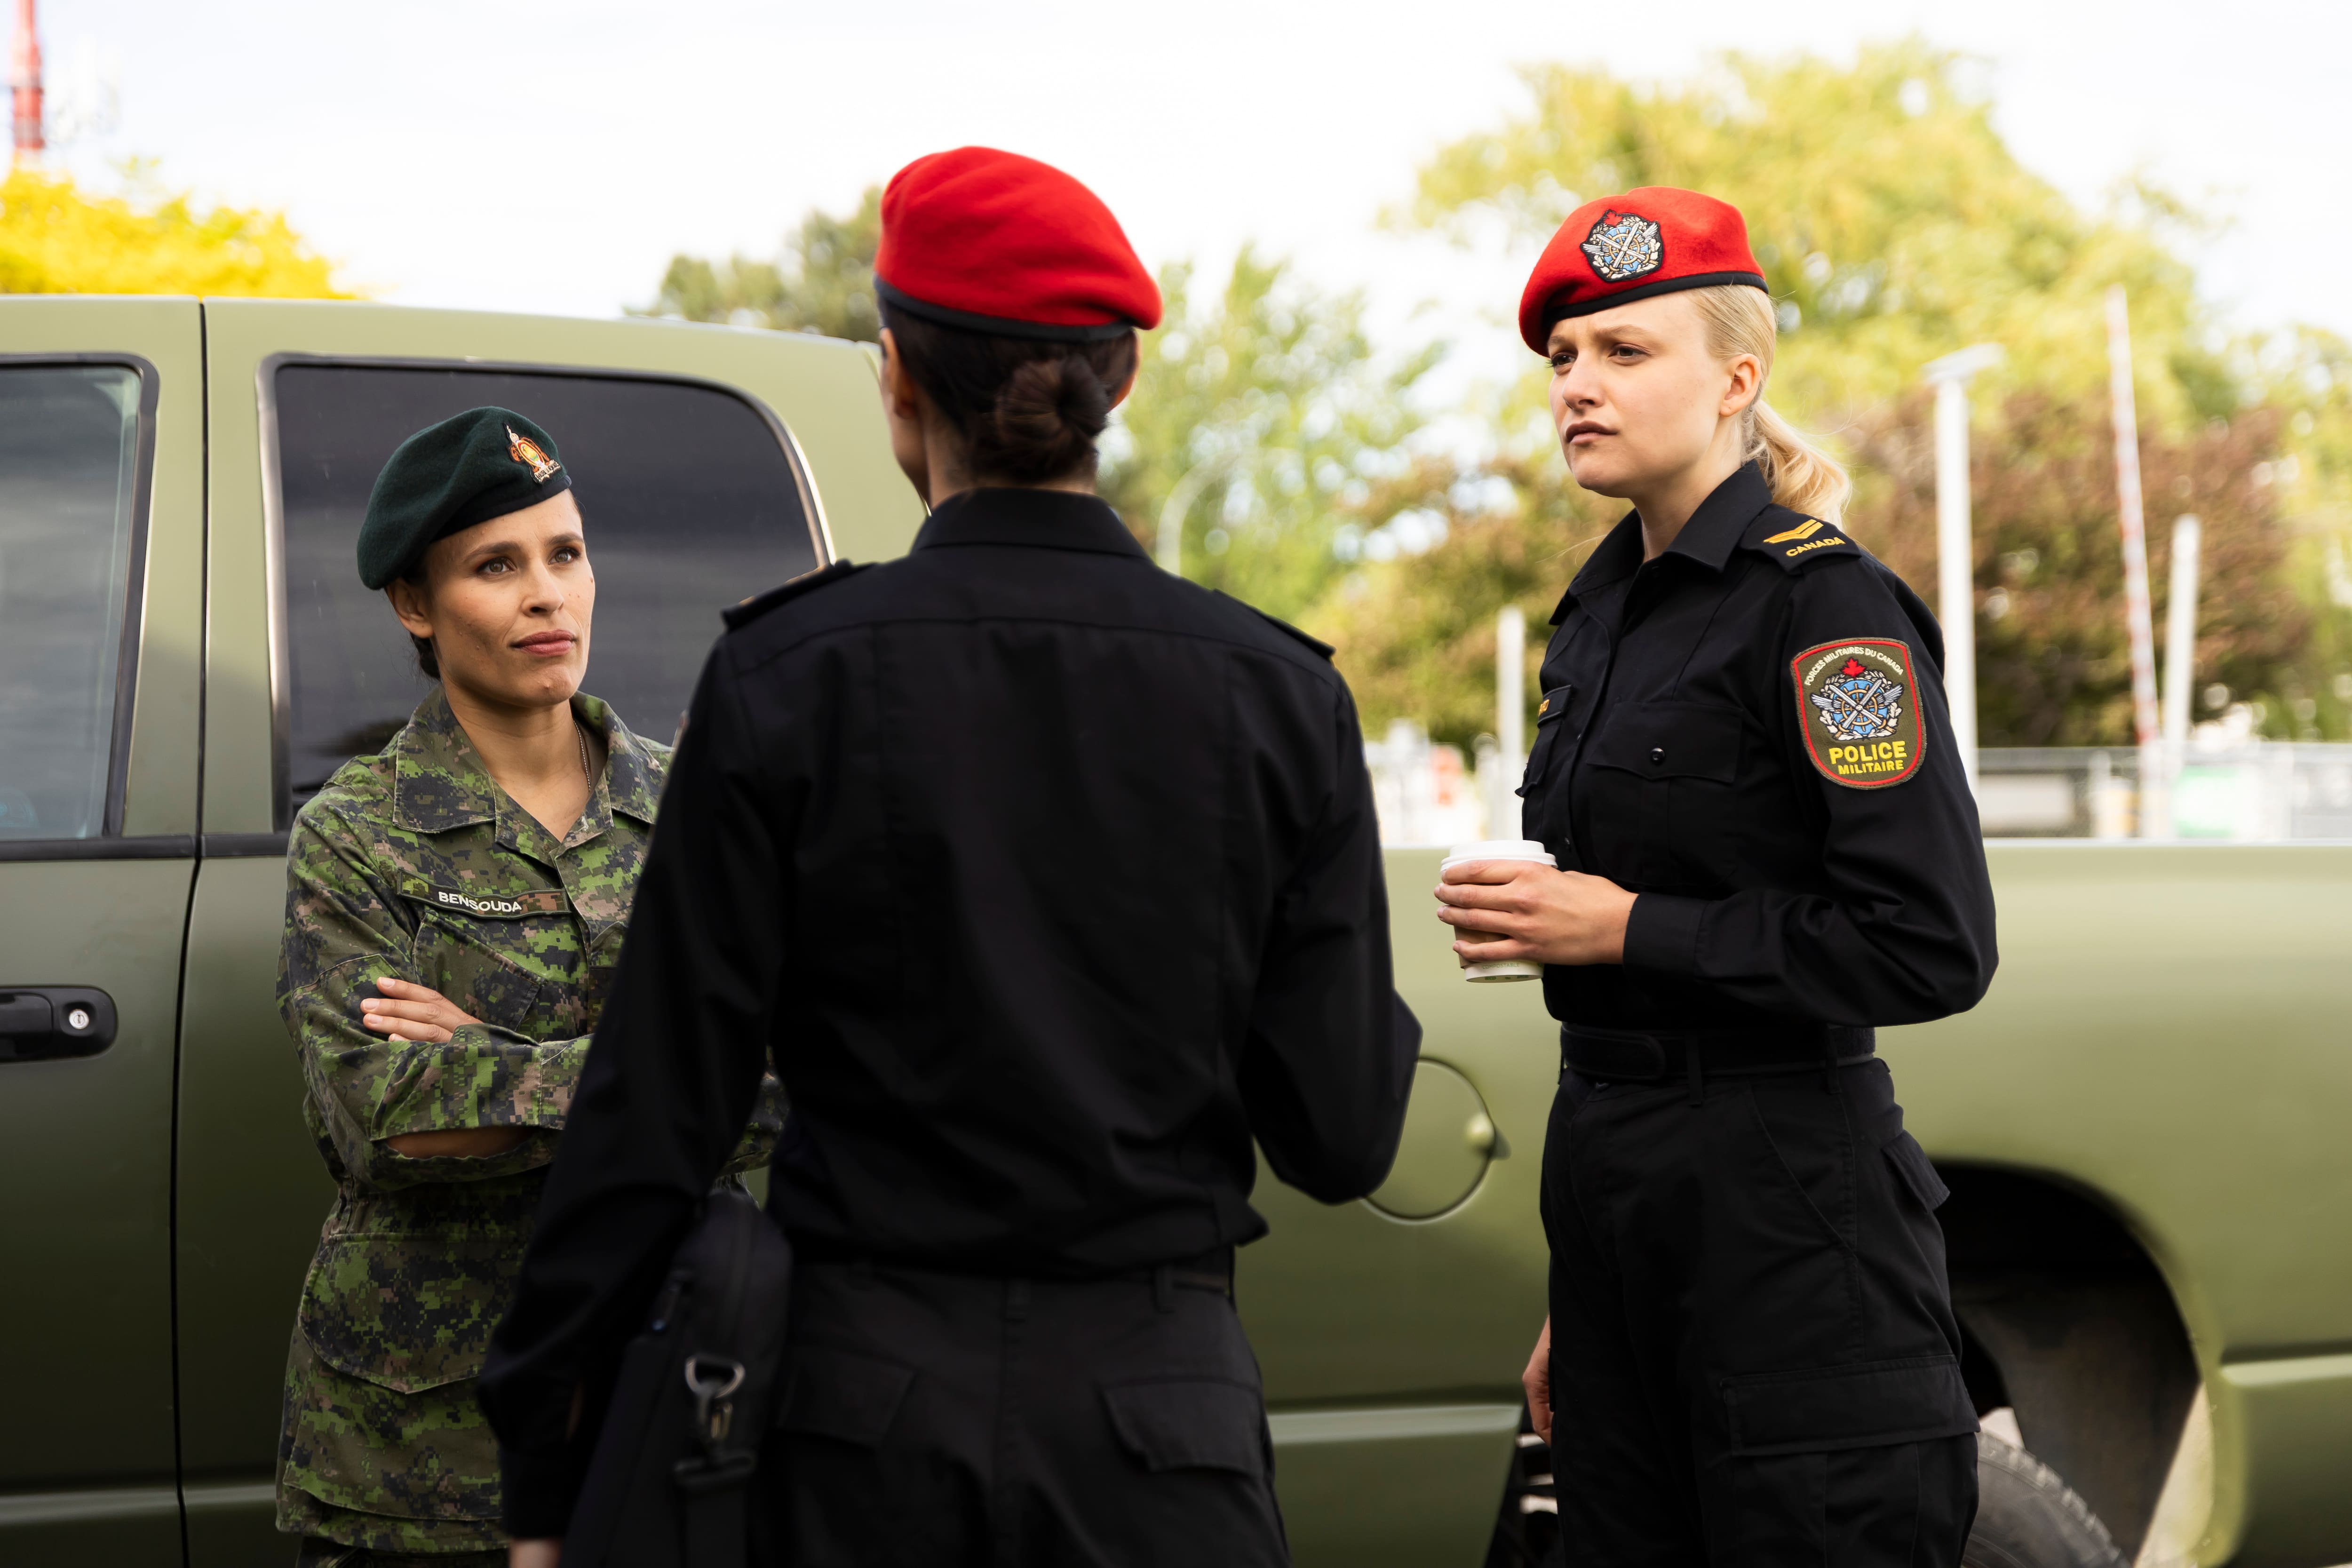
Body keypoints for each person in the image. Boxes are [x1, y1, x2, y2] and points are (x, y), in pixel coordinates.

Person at [478, 146, 1421, 1568]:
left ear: (898, 379)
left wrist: (544, 1464)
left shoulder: (789, 672)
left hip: (859, 1416)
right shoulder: (1276, 693)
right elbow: (1344, 1135)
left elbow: (660, 1102)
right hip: (1159, 1425)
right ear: (1122, 388)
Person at [1433, 188, 1997, 1564]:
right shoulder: (1597, 619)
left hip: (1793, 1218)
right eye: (1564, 357)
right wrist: (1596, 1284)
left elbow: (1928, 940)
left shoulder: (1827, 608)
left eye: (1626, 352)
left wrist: (1626, 927)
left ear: (1740, 378)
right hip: (1625, 1210)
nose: (1578, 385)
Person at [275, 407, 782, 1568]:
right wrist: (657, 1070)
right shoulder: (357, 834)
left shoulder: (703, 803)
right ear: (415, 604)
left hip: (673, 1395)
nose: (548, 594)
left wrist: (492, 1054)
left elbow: (783, 1085)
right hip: (423, 1456)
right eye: (497, 566)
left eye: (567, 552)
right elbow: (392, 1120)